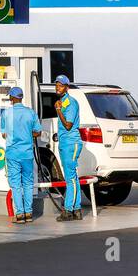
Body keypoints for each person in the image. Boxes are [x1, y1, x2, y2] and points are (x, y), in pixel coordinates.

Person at [0, 86, 42, 224]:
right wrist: (27, 135)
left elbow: (4, 134)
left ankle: (19, 214)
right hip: (27, 154)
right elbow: (38, 132)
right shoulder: (31, 113)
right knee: (28, 183)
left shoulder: (6, 113)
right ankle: (29, 213)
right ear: (21, 97)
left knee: (16, 185)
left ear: (12, 98)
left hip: (12, 153)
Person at [53, 75, 83, 221]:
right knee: (72, 177)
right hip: (65, 143)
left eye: (61, 85)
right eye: (57, 85)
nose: (58, 87)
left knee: (70, 177)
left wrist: (58, 110)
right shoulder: (62, 102)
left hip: (72, 143)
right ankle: (77, 209)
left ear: (67, 87)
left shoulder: (70, 103)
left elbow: (68, 125)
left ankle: (68, 210)